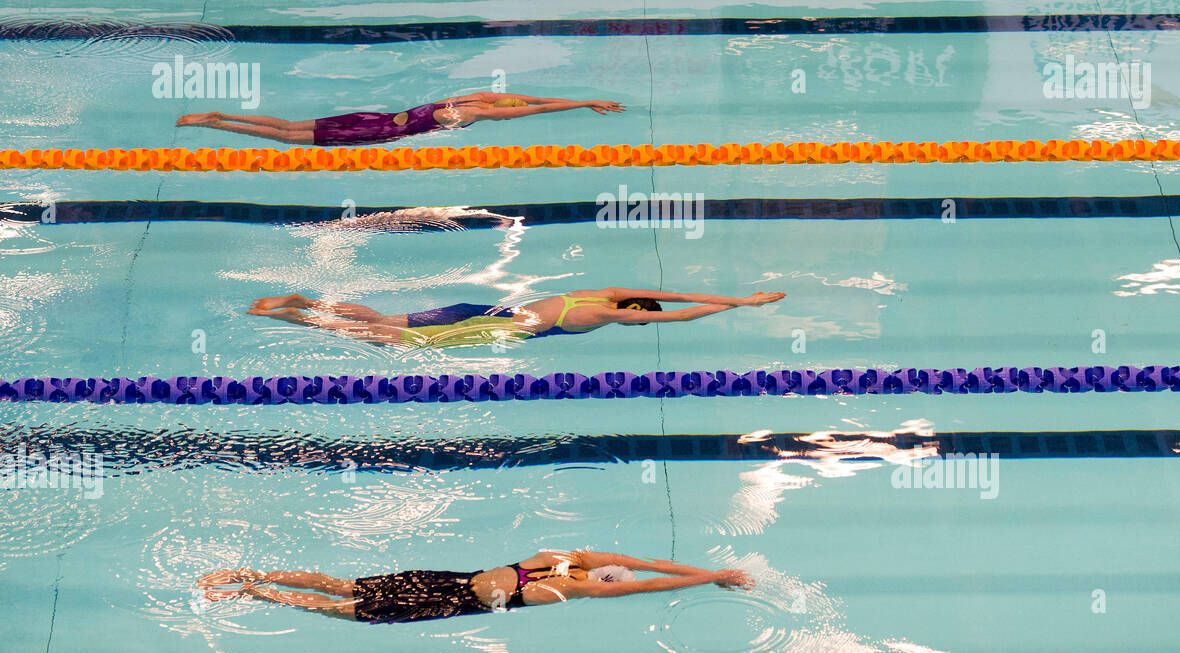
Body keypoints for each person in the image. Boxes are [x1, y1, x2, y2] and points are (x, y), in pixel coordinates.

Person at [199, 549, 753, 622]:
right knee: (344, 610)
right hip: (452, 600)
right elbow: (646, 586)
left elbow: (645, 564)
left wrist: (706, 571)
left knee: (340, 582)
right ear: (603, 585)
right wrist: (717, 580)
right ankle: (251, 592)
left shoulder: (568, 557)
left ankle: (250, 573)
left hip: (450, 578)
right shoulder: (582, 590)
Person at [246, 287, 786, 349]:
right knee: (388, 339)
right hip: (496, 327)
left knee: (391, 319)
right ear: (633, 317)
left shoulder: (604, 291)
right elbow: (684, 315)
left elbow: (668, 294)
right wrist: (741, 307)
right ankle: (292, 319)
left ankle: (304, 302)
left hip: (481, 308)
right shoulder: (606, 312)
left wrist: (738, 299)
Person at [175, 92, 624, 146]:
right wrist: (584, 104)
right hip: (370, 131)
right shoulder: (478, 114)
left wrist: (586, 100)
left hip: (370, 114)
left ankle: (222, 114)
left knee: (294, 122)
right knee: (289, 140)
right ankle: (216, 125)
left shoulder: (479, 94)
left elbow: (532, 98)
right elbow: (540, 108)